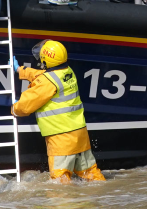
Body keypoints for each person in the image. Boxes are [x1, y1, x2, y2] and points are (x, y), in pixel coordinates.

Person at [11, 40, 105, 183]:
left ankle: (63, 206)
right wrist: (21, 70)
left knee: (60, 182)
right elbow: (43, 76)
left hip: (61, 139)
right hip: (80, 136)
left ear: (46, 59)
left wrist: (13, 109)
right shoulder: (68, 72)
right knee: (91, 175)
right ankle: (102, 200)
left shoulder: (47, 82)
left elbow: (26, 106)